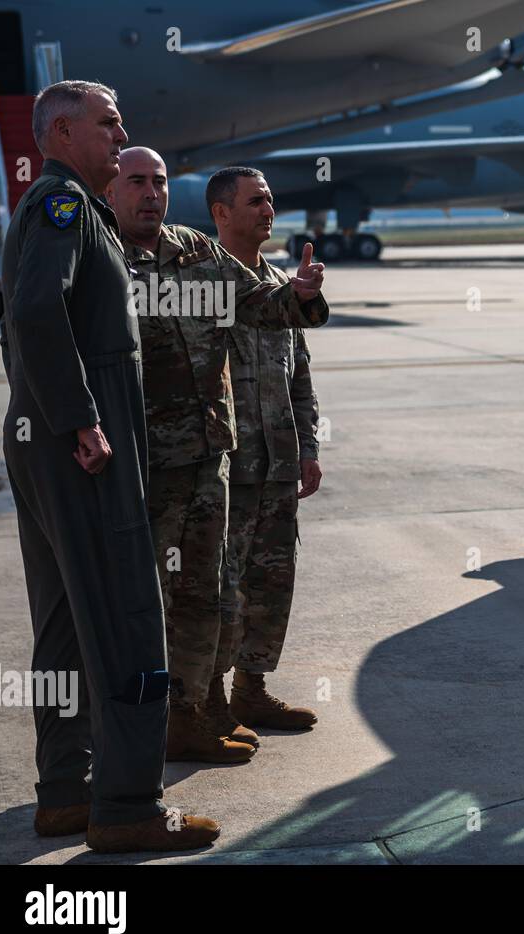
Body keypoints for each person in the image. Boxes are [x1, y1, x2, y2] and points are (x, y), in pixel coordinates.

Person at [0, 81, 217, 852]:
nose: (122, 137)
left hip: (45, 442)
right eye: (108, 124)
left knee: (63, 623)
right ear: (61, 134)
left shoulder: (65, 207)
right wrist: (83, 419)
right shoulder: (62, 206)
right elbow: (33, 309)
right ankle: (127, 806)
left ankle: (65, 792)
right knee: (127, 619)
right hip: (82, 449)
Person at [105, 147, 328, 762]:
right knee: (147, 602)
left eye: (160, 182)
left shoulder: (196, 254)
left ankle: (199, 712)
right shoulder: (98, 254)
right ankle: (134, 732)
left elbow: (264, 308)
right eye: (137, 182)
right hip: (142, 464)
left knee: (208, 598)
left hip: (211, 457)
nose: (151, 193)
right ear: (111, 187)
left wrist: (300, 294)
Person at [208, 167, 321, 732]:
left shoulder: (282, 285)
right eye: (255, 202)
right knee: (218, 587)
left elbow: (298, 375)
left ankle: (252, 690)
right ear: (221, 213)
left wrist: (308, 445)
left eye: (271, 200)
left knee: (273, 581)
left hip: (277, 463)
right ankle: (211, 700)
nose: (268, 210)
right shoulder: (203, 284)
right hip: (226, 466)